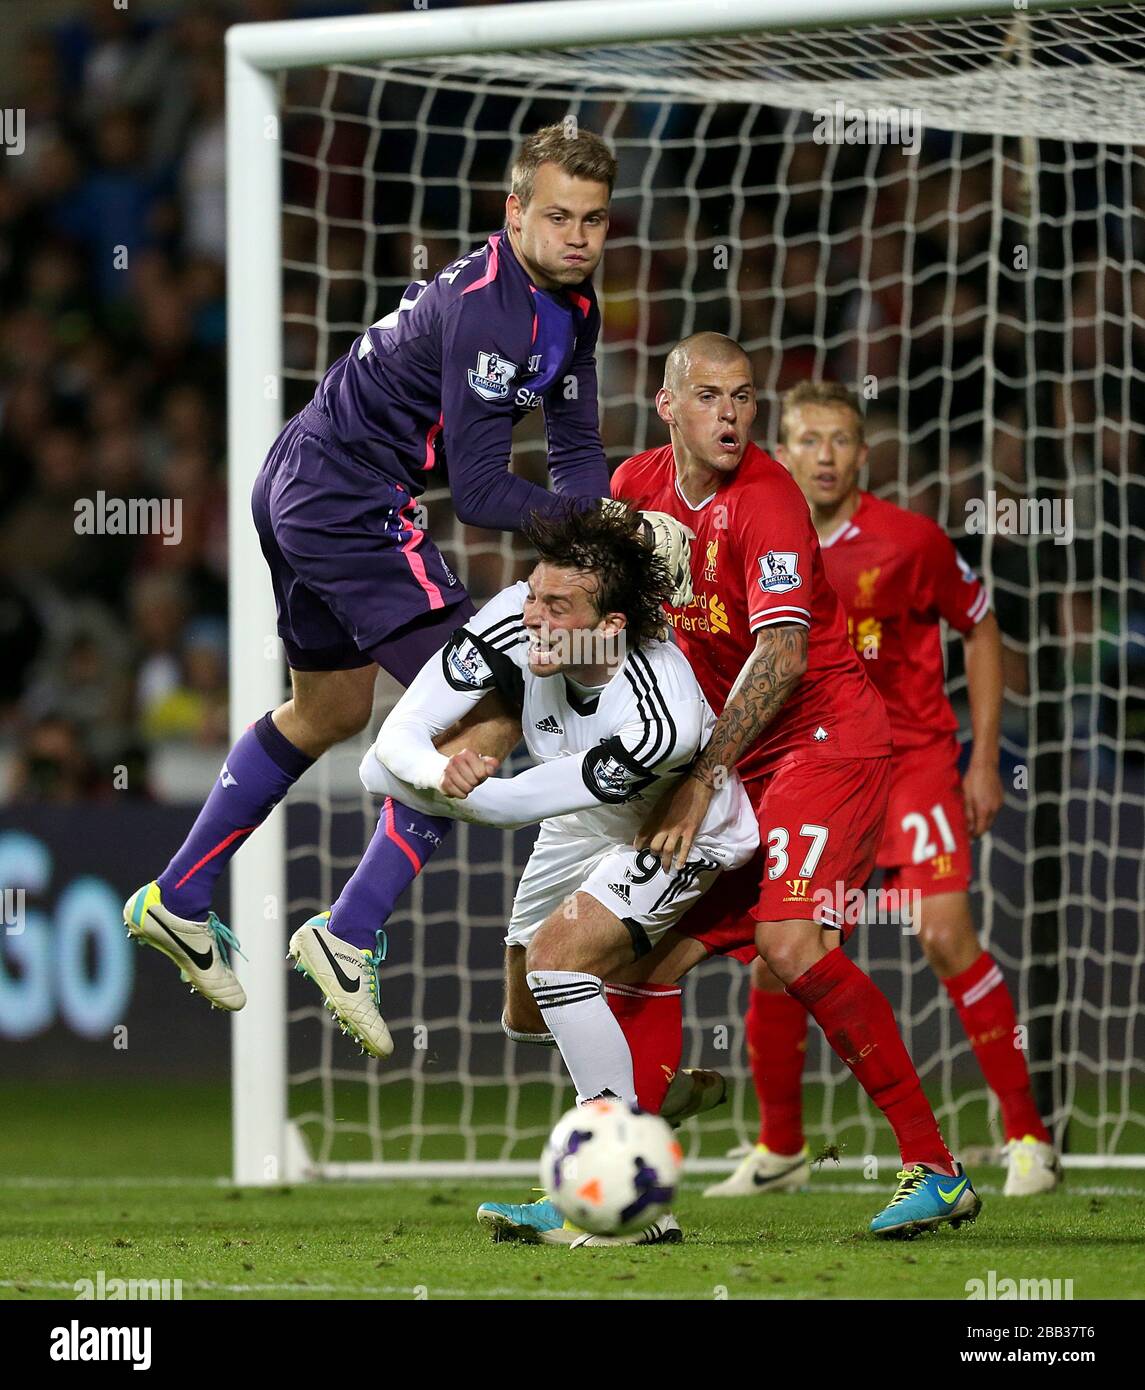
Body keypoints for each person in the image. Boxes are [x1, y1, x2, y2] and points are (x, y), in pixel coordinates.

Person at [123, 125, 692, 1006]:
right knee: (495, 701)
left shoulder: (573, 307)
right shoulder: (491, 310)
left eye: (594, 220)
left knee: (331, 706)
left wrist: (601, 538)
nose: (578, 237)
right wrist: (613, 528)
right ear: (513, 211)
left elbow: (576, 446)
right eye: (557, 217)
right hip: (348, 501)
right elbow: (478, 493)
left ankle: (179, 895)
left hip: (301, 477)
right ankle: (348, 933)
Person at [599, 333, 981, 1238]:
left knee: (788, 940)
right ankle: (629, 1187)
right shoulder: (632, 493)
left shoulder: (768, 501)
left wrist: (698, 783)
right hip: (735, 754)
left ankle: (935, 1169)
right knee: (642, 962)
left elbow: (781, 651)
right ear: (667, 406)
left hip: (823, 739)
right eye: (710, 397)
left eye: (743, 397)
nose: (731, 414)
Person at [317, 502, 757, 1245]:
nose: (535, 618)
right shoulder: (511, 619)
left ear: (611, 625)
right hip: (577, 816)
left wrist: (430, 778)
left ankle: (628, 1201)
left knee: (561, 966)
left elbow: (507, 805)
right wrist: (436, 766)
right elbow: (390, 743)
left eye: (558, 607)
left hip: (673, 833)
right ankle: (649, 1096)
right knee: (526, 1014)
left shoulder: (662, 715)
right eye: (532, 595)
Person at [709, 380, 1059, 1200]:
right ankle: (780, 1147)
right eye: (808, 439)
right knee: (778, 952)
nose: (824, 456)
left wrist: (980, 760)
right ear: (782, 449)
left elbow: (978, 625)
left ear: (863, 455)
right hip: (808, 764)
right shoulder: (761, 535)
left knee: (942, 936)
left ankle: (1027, 1138)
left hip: (910, 763)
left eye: (840, 440)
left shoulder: (910, 540)